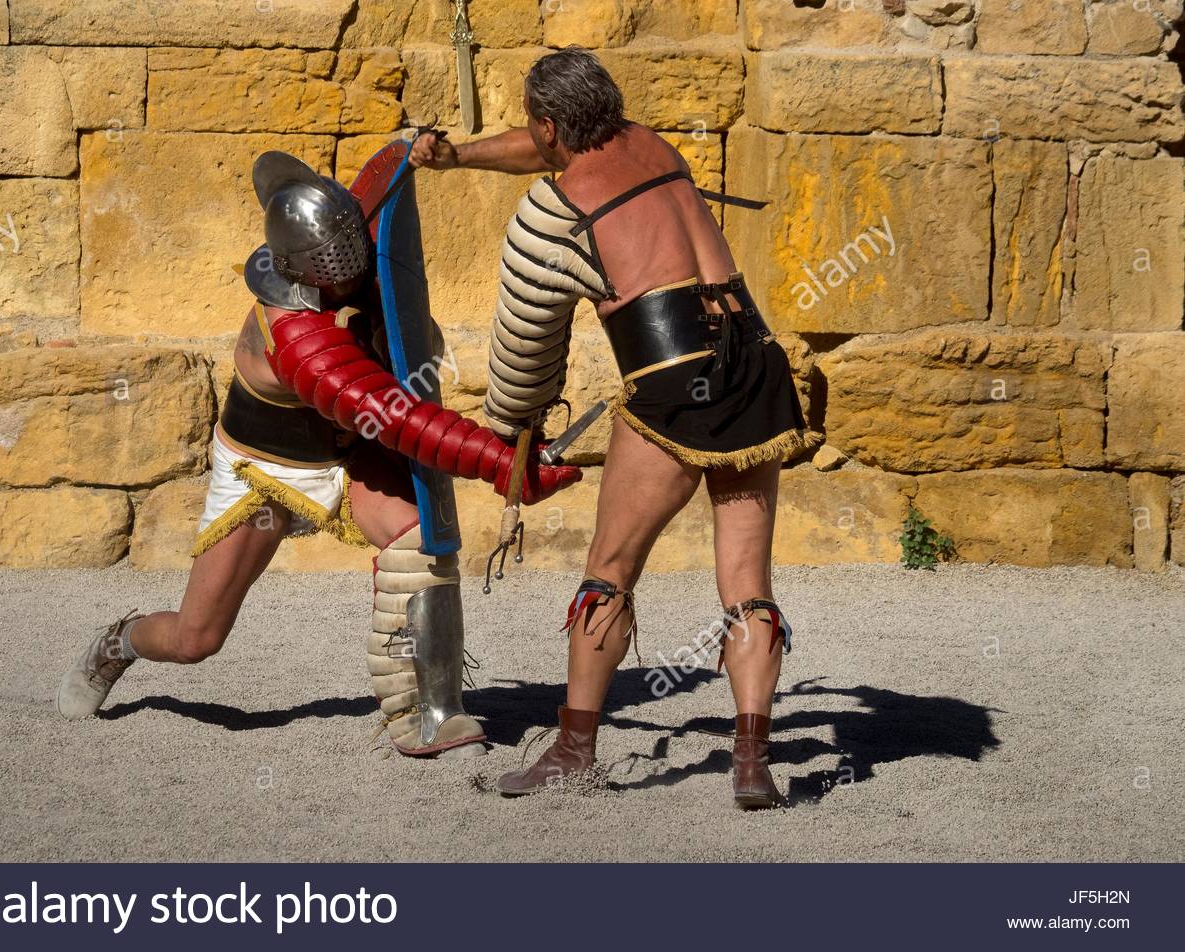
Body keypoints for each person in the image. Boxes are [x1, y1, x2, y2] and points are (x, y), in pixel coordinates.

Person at [56, 149, 580, 759]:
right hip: (267, 471)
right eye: (341, 267)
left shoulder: (334, 249)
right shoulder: (299, 340)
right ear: (308, 270)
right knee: (196, 637)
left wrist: (413, 151)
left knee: (417, 537)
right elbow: (399, 418)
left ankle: (422, 714)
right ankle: (118, 643)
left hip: (348, 452)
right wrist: (505, 466)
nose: (356, 274)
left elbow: (382, 208)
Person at [409, 47, 822, 805]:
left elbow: (525, 352)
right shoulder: (652, 144)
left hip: (674, 385)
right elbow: (541, 145)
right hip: (755, 366)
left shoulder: (551, 214)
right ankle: (753, 763)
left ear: (549, 125)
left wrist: (509, 429)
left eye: (537, 128)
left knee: (610, 570)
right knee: (746, 583)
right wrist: (460, 157)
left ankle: (574, 750)